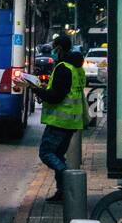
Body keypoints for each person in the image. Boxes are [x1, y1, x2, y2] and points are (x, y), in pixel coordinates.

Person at [32, 33, 86, 203]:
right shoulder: (76, 67)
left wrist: (35, 89)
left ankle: (70, 179)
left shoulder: (63, 68)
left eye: (54, 47)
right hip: (72, 121)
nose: (52, 51)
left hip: (60, 121)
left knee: (47, 153)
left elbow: (55, 96)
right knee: (58, 154)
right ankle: (62, 193)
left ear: (60, 48)